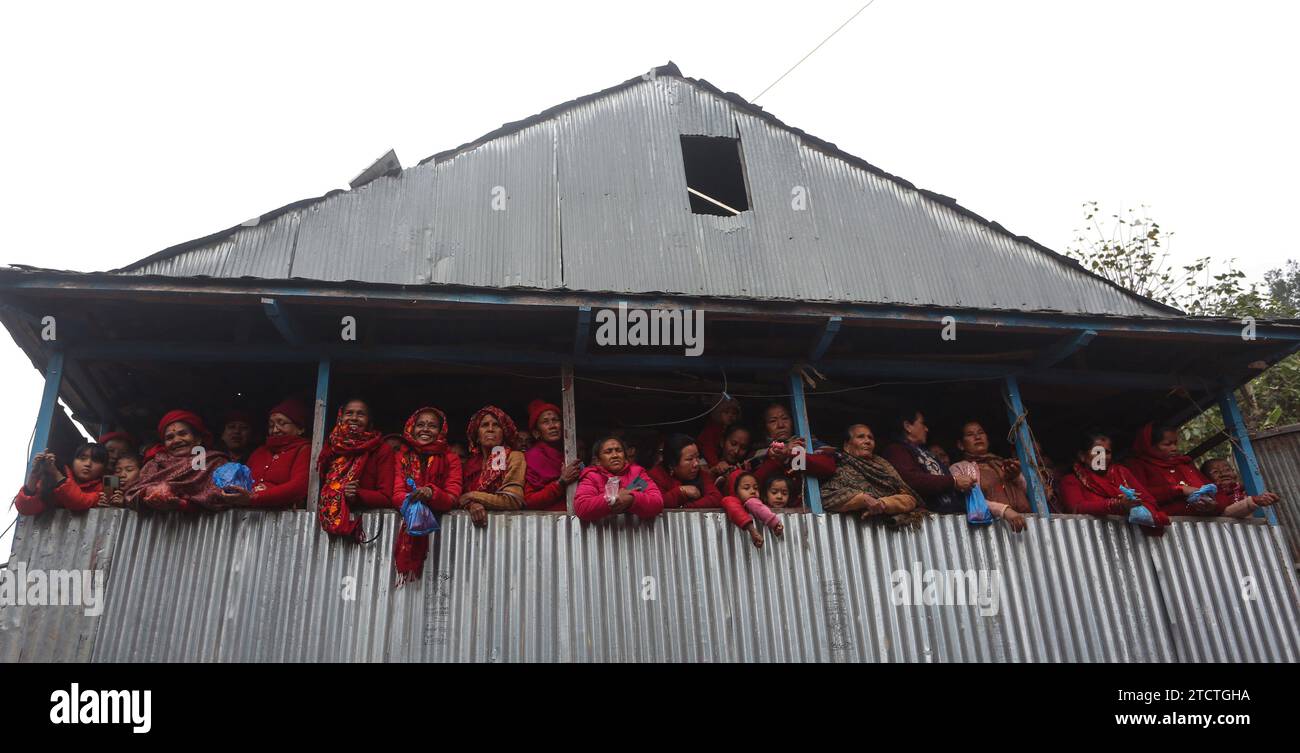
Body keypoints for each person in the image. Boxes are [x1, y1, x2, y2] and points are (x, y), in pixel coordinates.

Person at [391, 406, 463, 581]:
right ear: (412, 428)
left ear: (440, 431)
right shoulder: (402, 457)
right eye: (420, 425)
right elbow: (396, 493)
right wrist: (413, 498)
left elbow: (453, 497)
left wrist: (431, 493)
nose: (425, 429)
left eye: (432, 426)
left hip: (441, 538)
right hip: (407, 527)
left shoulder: (450, 458)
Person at [1059, 429, 1168, 533]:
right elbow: (1076, 508)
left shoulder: (1121, 473)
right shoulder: (1071, 481)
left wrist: (1135, 506)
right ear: (1082, 456)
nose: (1103, 457)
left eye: (1107, 452)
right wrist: (1116, 505)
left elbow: (1150, 502)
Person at [316, 399, 394, 542]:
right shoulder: (331, 447)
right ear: (341, 417)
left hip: (366, 528)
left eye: (360, 414)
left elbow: (387, 497)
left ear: (369, 422)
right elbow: (318, 489)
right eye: (349, 413)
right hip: (325, 529)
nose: (354, 418)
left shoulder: (381, 450)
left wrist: (357, 494)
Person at [126, 410, 231, 511]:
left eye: (183, 434)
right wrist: (150, 493)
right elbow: (132, 494)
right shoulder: (154, 464)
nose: (176, 440)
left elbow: (223, 496)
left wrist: (182, 504)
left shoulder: (214, 461)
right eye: (170, 437)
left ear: (198, 439)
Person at [822, 423, 924, 527]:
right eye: (860, 437)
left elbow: (910, 499)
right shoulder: (840, 469)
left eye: (870, 438)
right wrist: (863, 499)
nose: (867, 441)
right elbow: (826, 497)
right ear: (847, 445)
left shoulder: (884, 467)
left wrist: (883, 503)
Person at [220, 398, 312, 508]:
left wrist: (253, 497)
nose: (275, 430)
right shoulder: (260, 452)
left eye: (282, 423)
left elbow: (299, 486)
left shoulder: (304, 450)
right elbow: (243, 481)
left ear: (300, 428)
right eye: (271, 425)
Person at [880, 407, 970, 515]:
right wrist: (953, 481)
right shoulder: (896, 450)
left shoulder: (924, 452)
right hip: (929, 520)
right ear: (908, 426)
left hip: (950, 516)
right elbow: (911, 480)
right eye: (922, 424)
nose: (926, 429)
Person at [748, 403, 836, 508]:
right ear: (765, 429)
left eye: (785, 418)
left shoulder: (807, 444)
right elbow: (752, 484)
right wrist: (777, 457)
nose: (781, 425)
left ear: (793, 422)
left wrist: (792, 454)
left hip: (805, 512)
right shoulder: (759, 453)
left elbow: (829, 468)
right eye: (773, 421)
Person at [459, 405, 526, 526]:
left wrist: (472, 496)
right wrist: (472, 504)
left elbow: (513, 500)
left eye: (496, 425)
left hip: (507, 527)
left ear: (504, 432)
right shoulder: (470, 464)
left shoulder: (513, 457)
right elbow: (460, 499)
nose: (490, 429)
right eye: (484, 425)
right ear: (477, 436)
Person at [1123, 423, 1214, 512]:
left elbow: (1214, 494)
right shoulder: (1137, 465)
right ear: (1149, 446)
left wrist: (1211, 503)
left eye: (1175, 443)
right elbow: (1141, 494)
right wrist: (1180, 490)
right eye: (1167, 444)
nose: (1174, 448)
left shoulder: (1183, 463)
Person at [573, 436, 664, 523]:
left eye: (619, 450)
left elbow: (657, 502)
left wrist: (632, 499)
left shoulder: (637, 474)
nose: (615, 455)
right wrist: (613, 499)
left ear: (625, 457)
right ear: (597, 461)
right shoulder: (592, 476)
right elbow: (582, 507)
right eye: (608, 452)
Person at [954, 421, 1033, 514]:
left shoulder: (1003, 464)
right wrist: (1004, 511)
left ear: (987, 440)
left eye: (981, 433)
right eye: (970, 434)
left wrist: (1016, 476)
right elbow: (968, 500)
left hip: (1026, 521)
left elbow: (1034, 494)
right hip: (990, 525)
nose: (978, 437)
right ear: (960, 445)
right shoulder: (958, 468)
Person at [13, 443, 109, 515]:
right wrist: (34, 475)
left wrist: (56, 473)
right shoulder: (51, 480)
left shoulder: (103, 489)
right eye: (82, 458)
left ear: (104, 468)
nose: (88, 464)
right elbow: (25, 508)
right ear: (73, 461)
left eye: (96, 460)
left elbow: (77, 501)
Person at [523, 399, 582, 511]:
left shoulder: (571, 453)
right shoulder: (531, 458)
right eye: (545, 422)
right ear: (536, 433)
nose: (552, 426)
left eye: (555, 420)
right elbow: (529, 501)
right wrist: (561, 482)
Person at [649, 434, 723, 511]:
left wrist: (685, 509)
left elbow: (716, 498)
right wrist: (680, 492)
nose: (696, 464)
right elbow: (656, 502)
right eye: (690, 459)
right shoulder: (656, 476)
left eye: (697, 457)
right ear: (672, 464)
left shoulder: (701, 474)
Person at [1199, 458, 1281, 518]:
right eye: (1215, 472)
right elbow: (1224, 514)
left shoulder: (1245, 490)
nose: (1223, 474)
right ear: (1205, 478)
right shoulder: (1209, 497)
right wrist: (1253, 501)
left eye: (1227, 470)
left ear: (1234, 473)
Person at [720, 468, 782, 548]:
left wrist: (775, 524)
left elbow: (759, 508)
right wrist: (752, 530)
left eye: (756, 488)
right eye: (746, 488)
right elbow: (735, 510)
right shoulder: (729, 500)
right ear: (735, 491)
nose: (753, 491)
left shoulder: (755, 502)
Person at [696, 397, 741, 467]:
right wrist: (717, 464)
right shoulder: (711, 429)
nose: (730, 416)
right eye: (726, 412)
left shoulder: (727, 428)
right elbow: (708, 450)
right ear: (718, 412)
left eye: (734, 413)